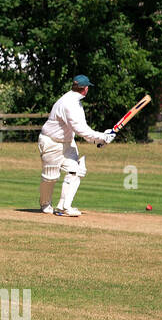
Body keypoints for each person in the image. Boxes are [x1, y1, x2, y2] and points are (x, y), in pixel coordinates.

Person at [38, 74, 114, 217]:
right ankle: (45, 203)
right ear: (85, 89)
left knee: (76, 170)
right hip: (51, 142)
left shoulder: (74, 100)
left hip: (67, 143)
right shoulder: (70, 103)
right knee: (50, 177)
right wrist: (102, 137)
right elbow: (81, 130)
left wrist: (98, 140)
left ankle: (64, 207)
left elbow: (82, 129)